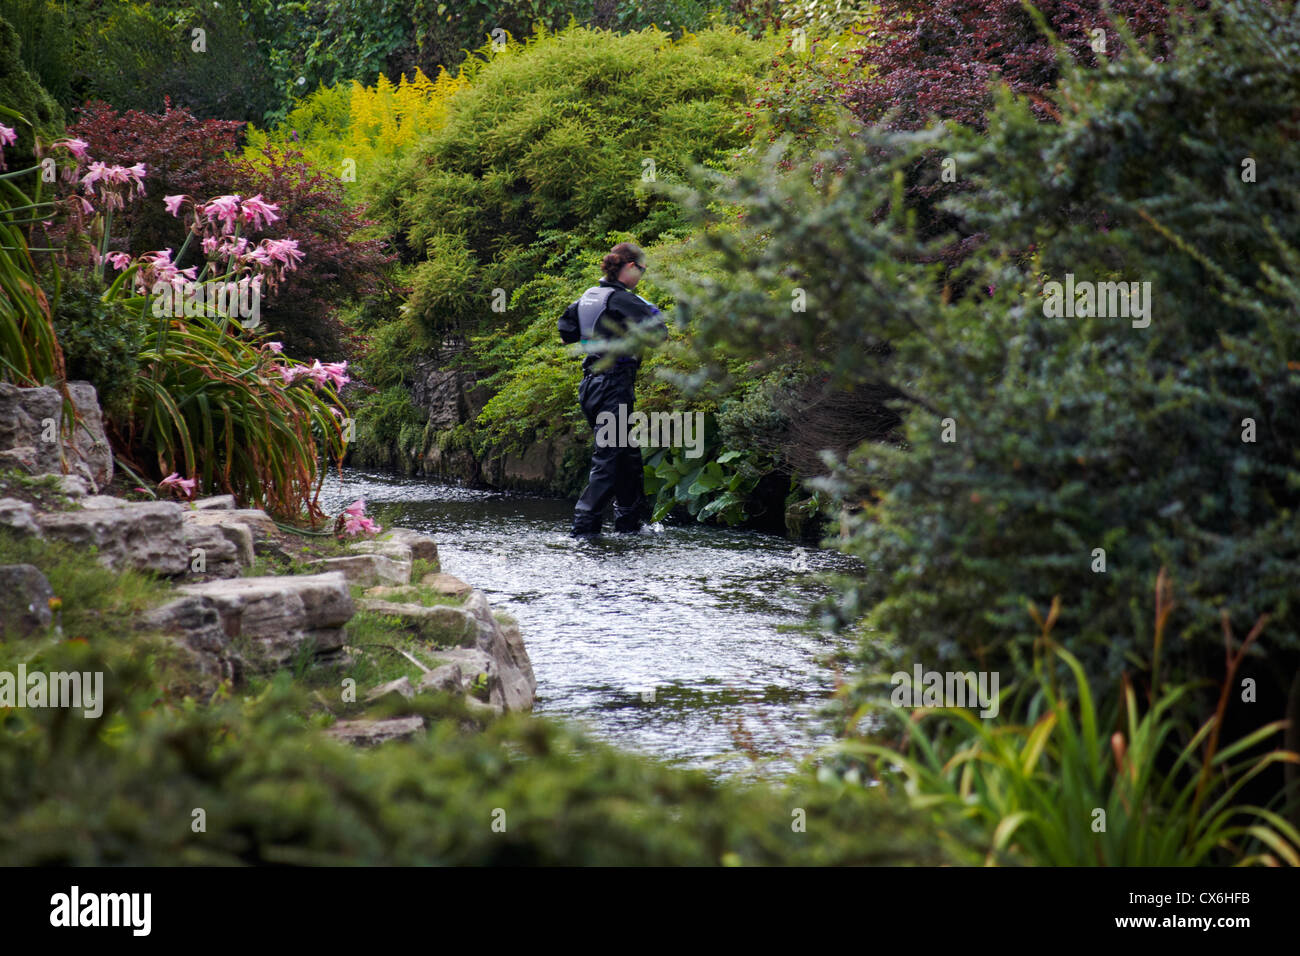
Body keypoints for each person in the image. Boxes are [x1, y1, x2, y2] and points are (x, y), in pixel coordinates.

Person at [558, 242, 666, 536]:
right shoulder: (623, 300)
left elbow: (566, 331)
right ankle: (583, 530)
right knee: (608, 459)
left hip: (592, 385)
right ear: (630, 267)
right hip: (613, 387)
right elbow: (659, 334)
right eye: (641, 270)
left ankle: (629, 525)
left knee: (627, 457)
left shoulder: (590, 296)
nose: (642, 276)